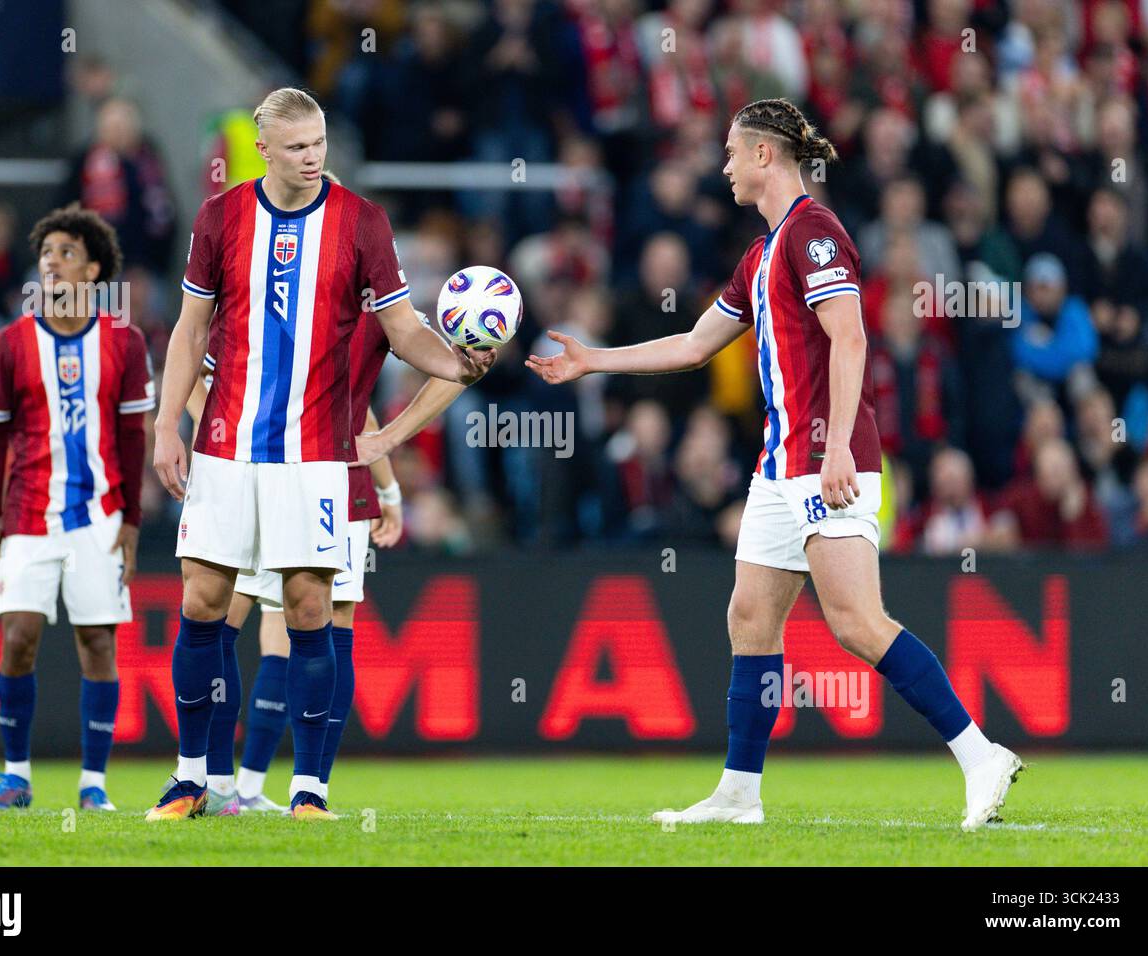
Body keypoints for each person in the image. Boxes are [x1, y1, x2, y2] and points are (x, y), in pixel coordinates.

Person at [527, 98, 1023, 831]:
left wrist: (831, 452)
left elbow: (851, 340)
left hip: (829, 459)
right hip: (779, 464)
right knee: (751, 616)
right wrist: (591, 360)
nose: (723, 167)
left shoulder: (813, 232)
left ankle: (981, 755)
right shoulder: (762, 252)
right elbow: (696, 344)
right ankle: (738, 792)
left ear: (765, 155)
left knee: (855, 620)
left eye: (731, 152)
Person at [149, 88, 492, 822]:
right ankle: (190, 781)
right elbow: (188, 332)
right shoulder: (220, 217)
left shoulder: (363, 223)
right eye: (296, 146)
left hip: (313, 457)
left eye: (319, 143)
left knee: (309, 609)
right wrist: (166, 426)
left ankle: (308, 792)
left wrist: (457, 362)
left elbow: (402, 330)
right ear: (265, 148)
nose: (312, 158)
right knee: (202, 603)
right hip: (225, 447)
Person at [0, 205, 152, 811]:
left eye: (66, 252)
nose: (52, 261)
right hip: (26, 512)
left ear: (93, 269)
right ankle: (15, 775)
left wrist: (131, 520)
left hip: (99, 516)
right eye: (46, 252)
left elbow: (133, 437)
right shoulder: (7, 344)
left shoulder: (125, 344)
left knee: (97, 645)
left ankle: (93, 783)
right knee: (18, 635)